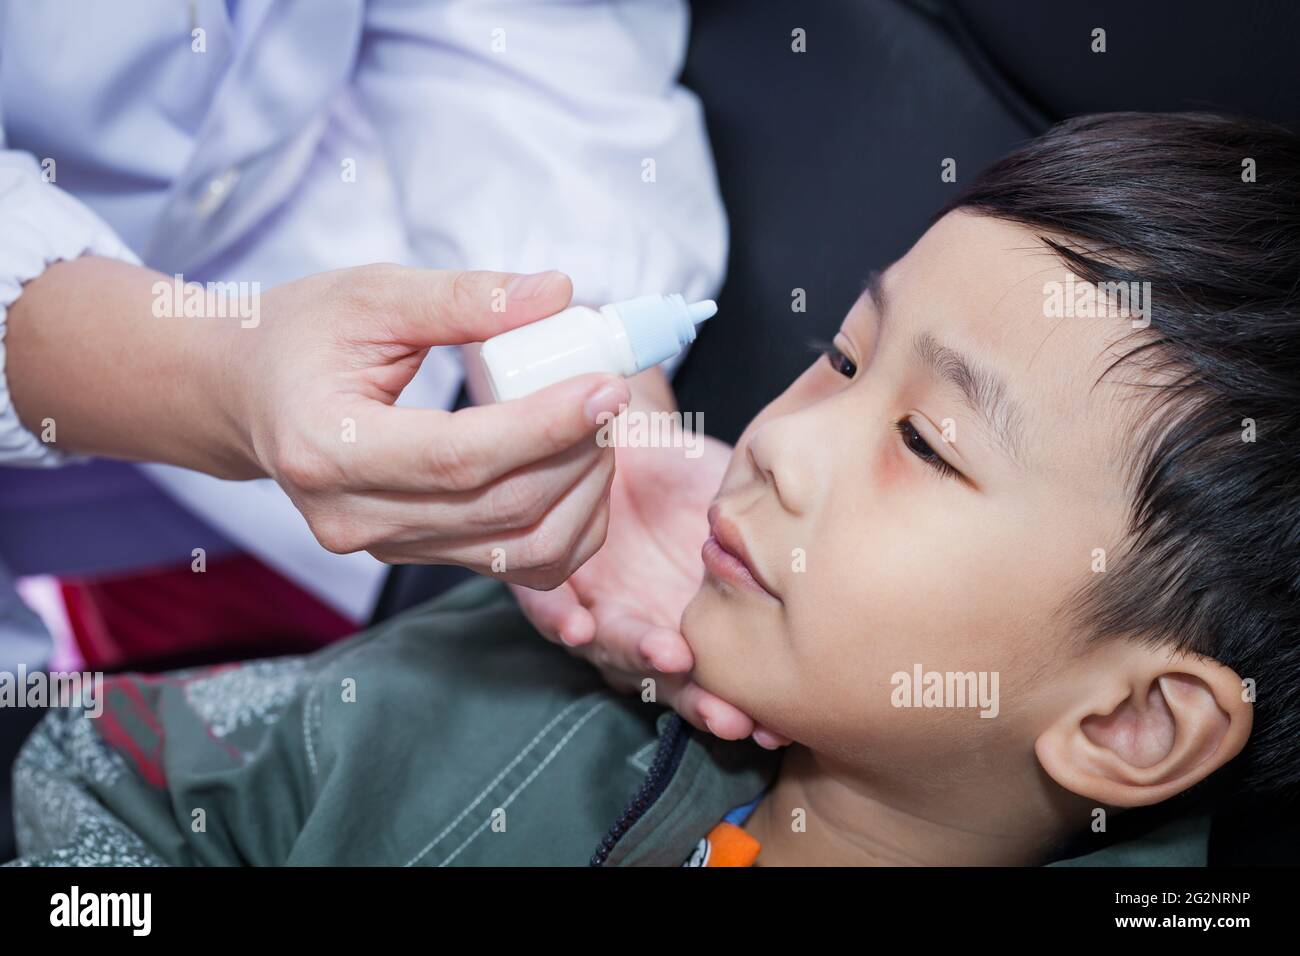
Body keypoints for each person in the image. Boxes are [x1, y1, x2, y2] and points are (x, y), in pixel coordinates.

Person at [10, 112, 1296, 866]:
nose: (781, 443)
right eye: (840, 355)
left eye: (927, 442)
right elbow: (90, 790)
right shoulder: (479, 700)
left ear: (1134, 723)